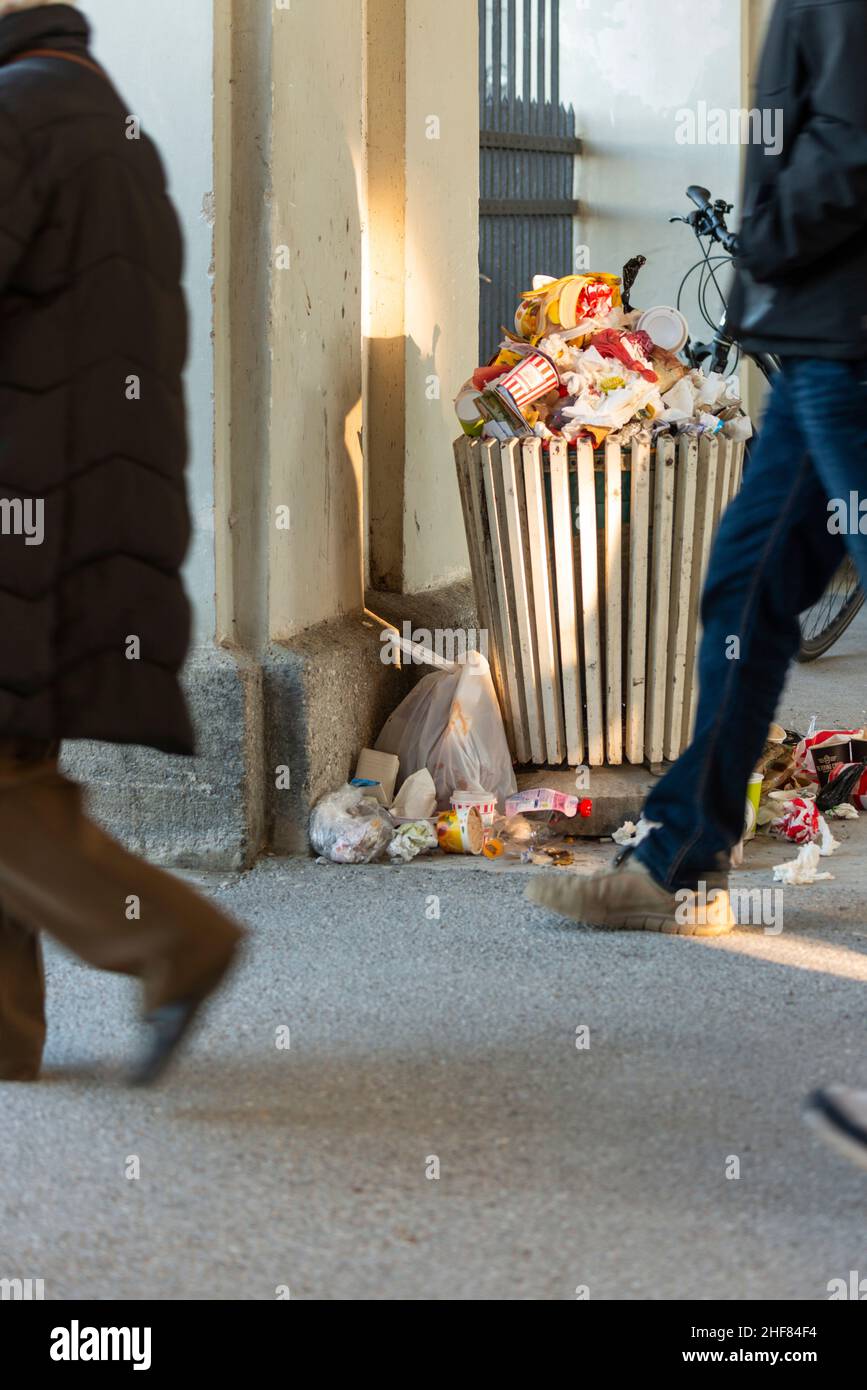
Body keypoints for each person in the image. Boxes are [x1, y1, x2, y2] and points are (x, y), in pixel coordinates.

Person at [527, 0, 867, 936]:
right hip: (818, 342)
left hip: (847, 341)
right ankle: (678, 859)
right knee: (744, 594)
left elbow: (849, 146)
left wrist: (762, 246)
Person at [0, 1, 243, 1084]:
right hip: (78, 512)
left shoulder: (18, 115)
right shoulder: (107, 121)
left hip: (24, 512)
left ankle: (175, 939)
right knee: (12, 768)